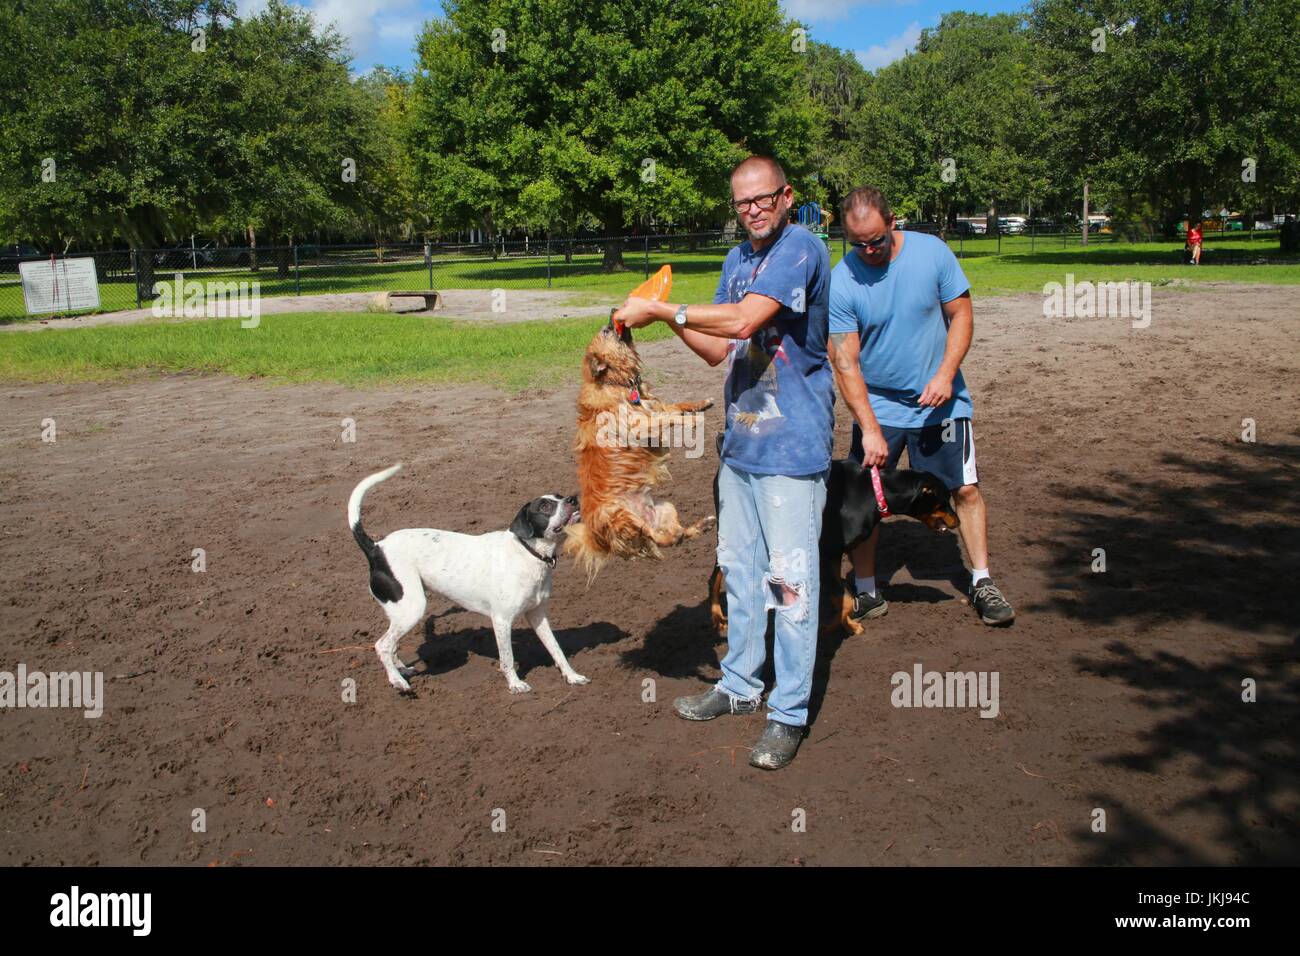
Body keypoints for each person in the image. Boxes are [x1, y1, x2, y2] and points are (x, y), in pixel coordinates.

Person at [613, 155, 834, 770]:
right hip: (740, 448)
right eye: (742, 202)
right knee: (740, 573)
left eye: (764, 198)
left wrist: (662, 312)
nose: (754, 210)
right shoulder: (736, 261)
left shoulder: (802, 249)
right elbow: (718, 348)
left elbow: (743, 319)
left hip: (791, 451)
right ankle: (739, 685)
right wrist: (665, 312)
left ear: (787, 196)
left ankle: (788, 714)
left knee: (790, 586)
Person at [826, 186, 1015, 627]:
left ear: (893, 222)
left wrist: (946, 374)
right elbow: (845, 359)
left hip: (942, 407)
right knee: (865, 501)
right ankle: (869, 590)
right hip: (880, 411)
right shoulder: (842, 280)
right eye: (858, 243)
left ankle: (982, 581)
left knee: (964, 489)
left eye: (877, 240)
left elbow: (961, 315)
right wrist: (869, 427)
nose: (869, 250)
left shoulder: (933, 253)